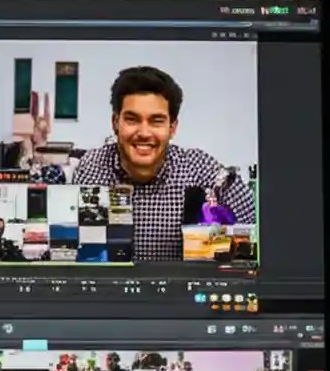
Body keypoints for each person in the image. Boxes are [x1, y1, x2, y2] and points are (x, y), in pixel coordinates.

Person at [72, 66, 256, 261]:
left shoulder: (201, 171)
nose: (143, 133)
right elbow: (73, 252)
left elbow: (259, 233)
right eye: (132, 119)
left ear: (172, 127)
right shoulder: (91, 169)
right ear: (115, 122)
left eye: (156, 121)